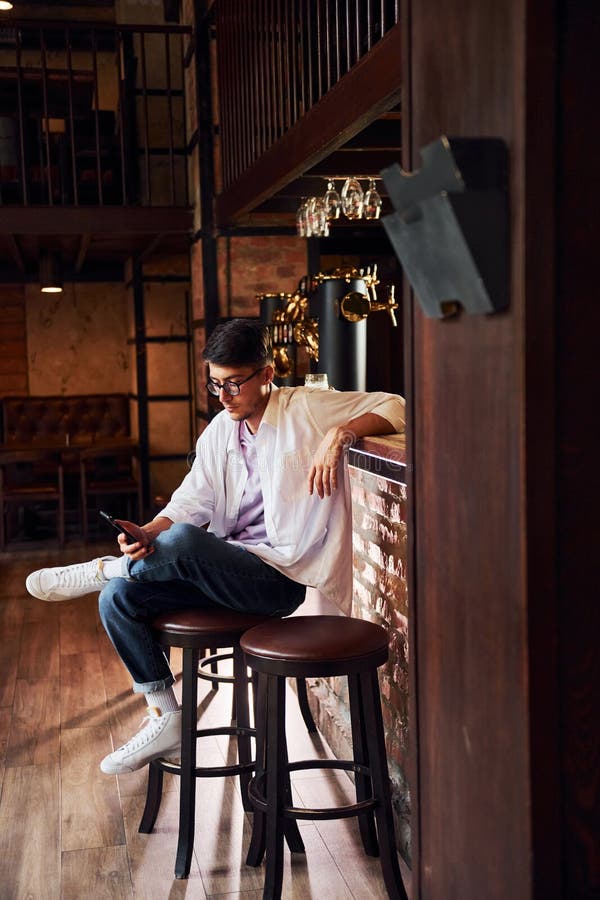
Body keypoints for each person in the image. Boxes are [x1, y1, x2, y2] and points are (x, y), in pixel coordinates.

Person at [25, 319, 405, 775]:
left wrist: (339, 433)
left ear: (266, 374)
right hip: (228, 572)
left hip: (279, 580)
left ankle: (104, 568)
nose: (223, 397)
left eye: (233, 384)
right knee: (119, 598)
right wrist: (148, 531)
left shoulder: (304, 408)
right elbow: (193, 497)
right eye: (215, 384)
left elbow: (396, 405)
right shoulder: (222, 430)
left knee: (182, 543)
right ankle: (165, 714)